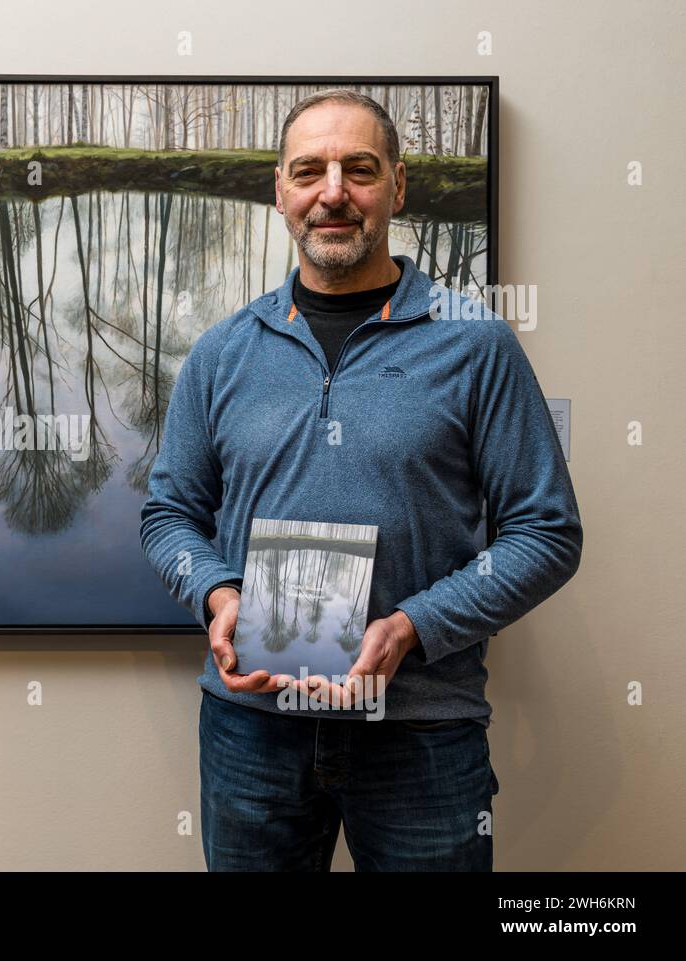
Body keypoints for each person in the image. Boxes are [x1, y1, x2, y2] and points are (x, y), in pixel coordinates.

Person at [138, 89, 582, 871]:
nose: (333, 191)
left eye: (360, 169)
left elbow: (547, 533)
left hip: (423, 732)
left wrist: (411, 626)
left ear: (398, 186)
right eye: (309, 170)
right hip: (251, 727)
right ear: (280, 190)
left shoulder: (477, 344)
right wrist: (218, 592)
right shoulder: (220, 353)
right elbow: (168, 514)